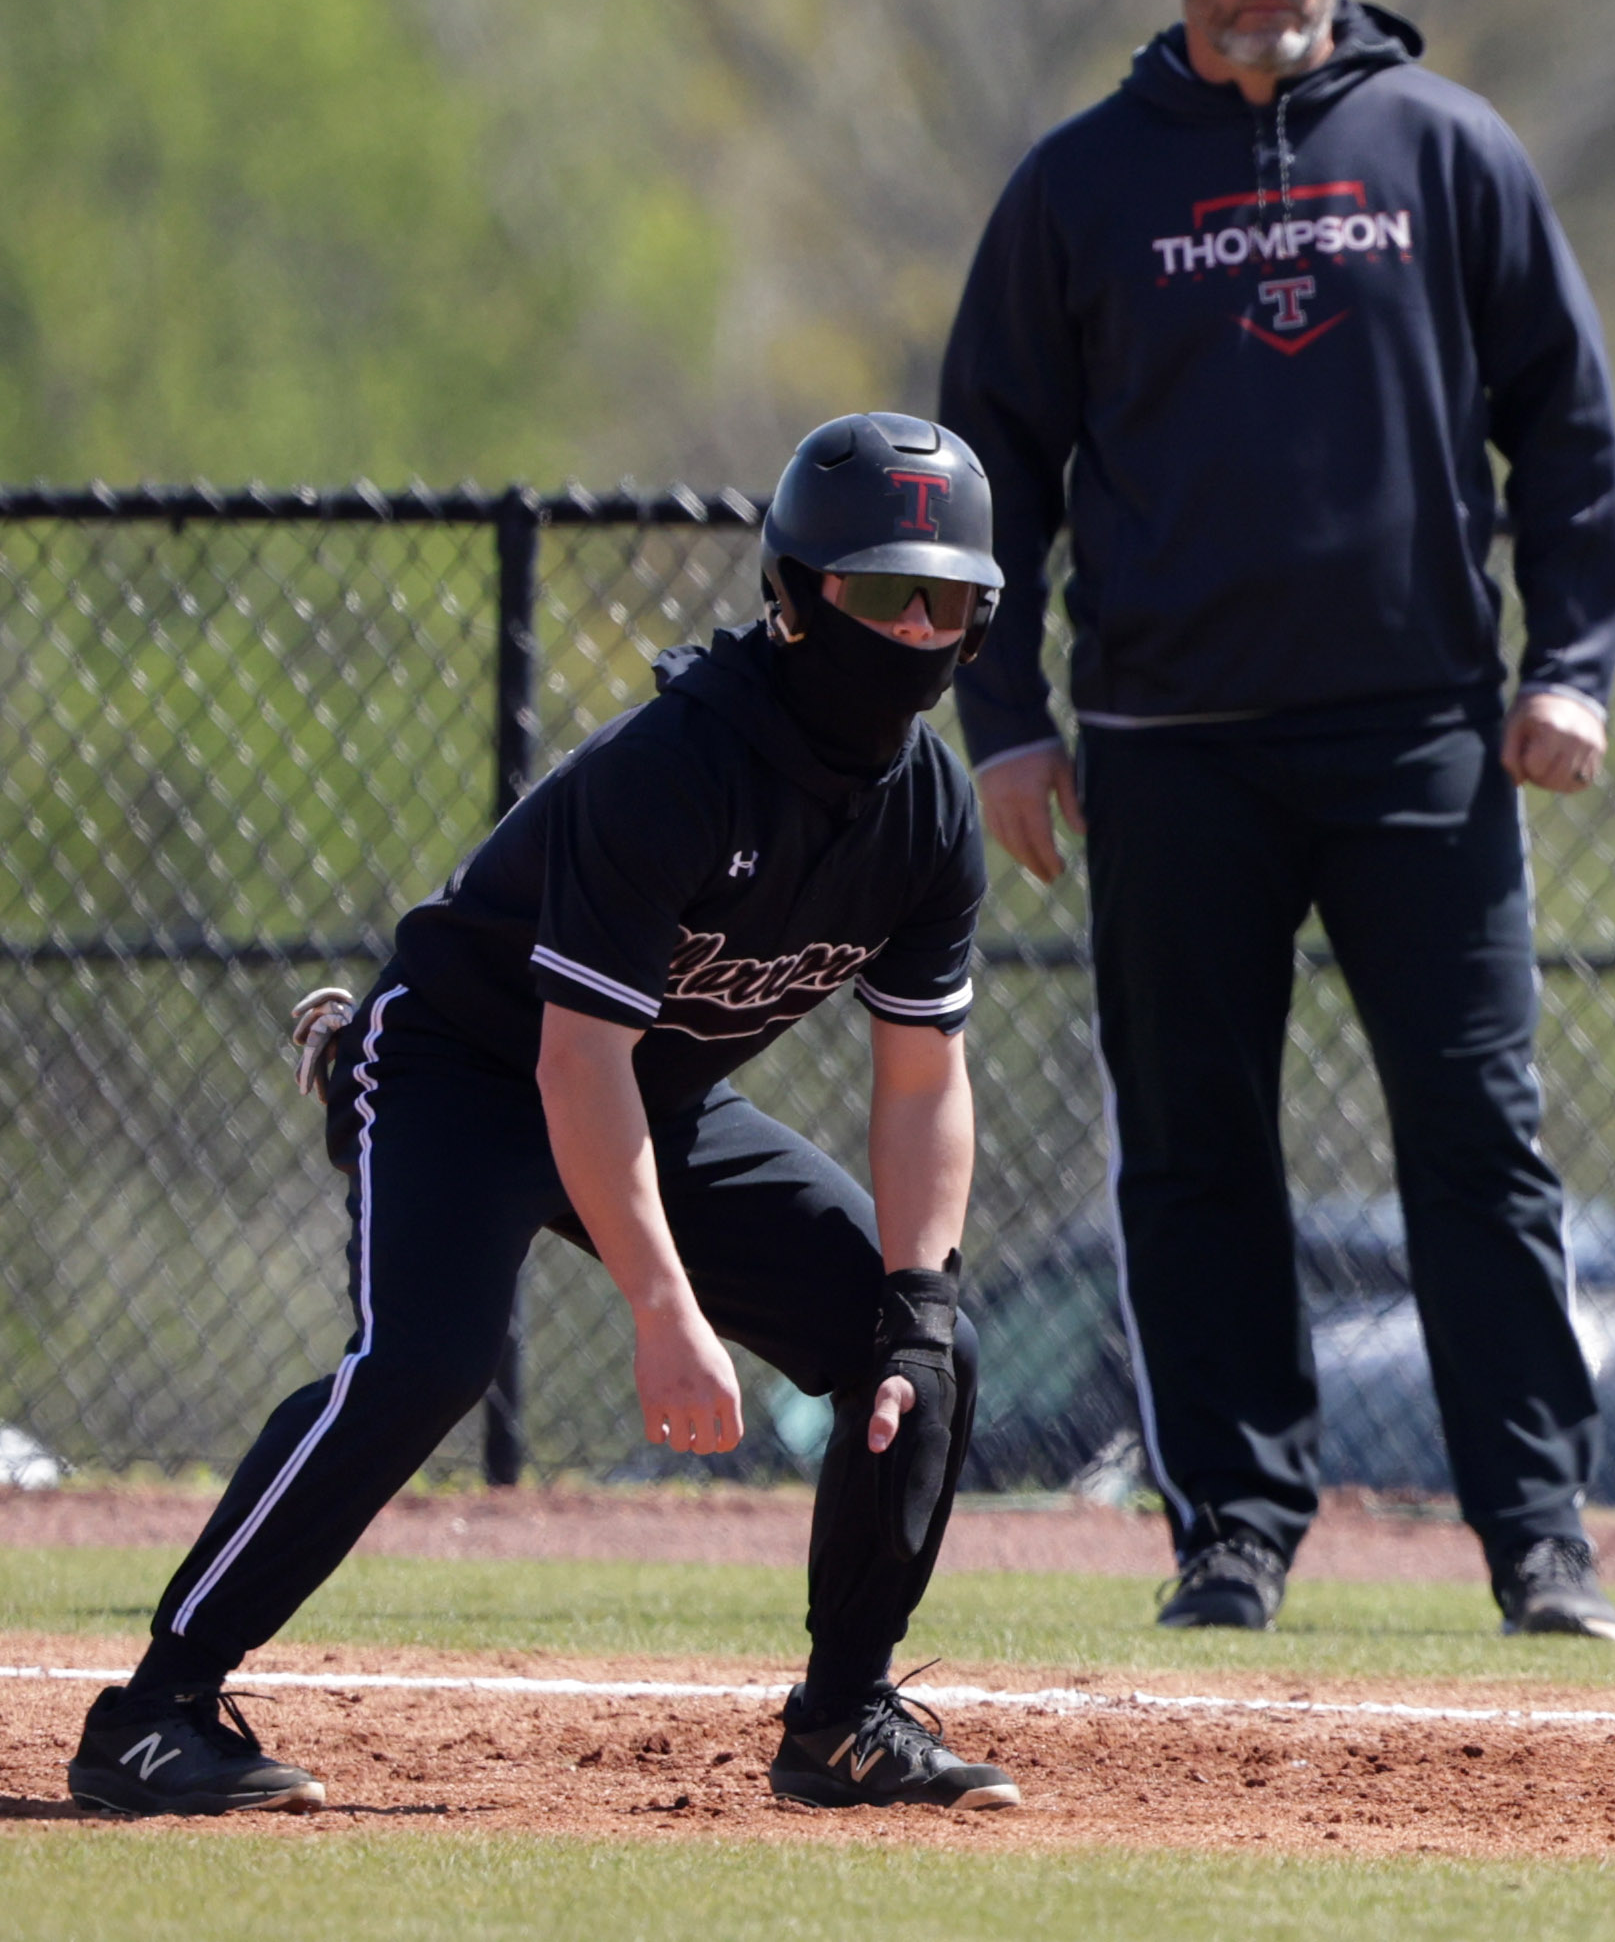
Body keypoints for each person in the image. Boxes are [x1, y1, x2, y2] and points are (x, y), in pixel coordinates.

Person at [69, 415, 1019, 1816]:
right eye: (889, 591)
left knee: (917, 1349)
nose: (925, 624)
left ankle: (842, 1722)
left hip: (658, 1095)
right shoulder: (682, 766)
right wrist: (662, 1308)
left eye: (957, 597)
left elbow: (925, 1079)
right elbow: (574, 1067)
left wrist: (915, 1303)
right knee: (427, 1363)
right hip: (469, 1064)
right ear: (797, 596)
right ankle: (152, 1714)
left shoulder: (928, 809)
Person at [937, 0, 1615, 1639]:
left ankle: (1539, 1534)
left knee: (1477, 1138)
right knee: (1192, 1145)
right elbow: (986, 469)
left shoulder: (1448, 149)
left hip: (1419, 736)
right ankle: (1231, 1527)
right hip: (1170, 748)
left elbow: (1563, 425)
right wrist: (1001, 722)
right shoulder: (1081, 188)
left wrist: (1574, 666)